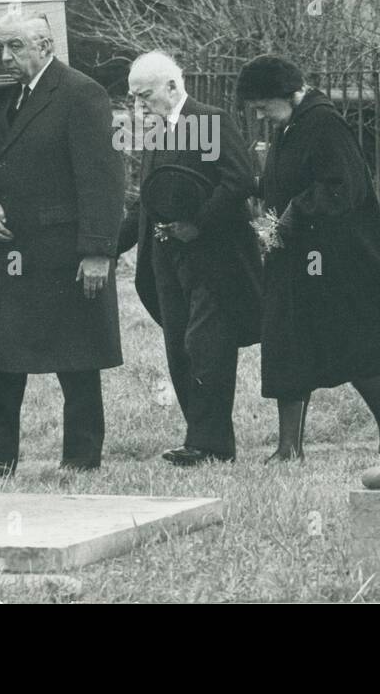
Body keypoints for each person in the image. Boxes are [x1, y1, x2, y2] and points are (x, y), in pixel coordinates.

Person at [0, 9, 124, 477]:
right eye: (2, 48)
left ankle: (81, 459)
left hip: (64, 252)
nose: (6, 57)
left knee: (77, 357)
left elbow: (103, 178)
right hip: (12, 254)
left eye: (16, 47)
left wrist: (96, 251)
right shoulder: (9, 99)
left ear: (46, 46)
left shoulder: (81, 94)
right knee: (2, 356)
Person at [236, 54, 380, 462]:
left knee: (357, 347)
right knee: (286, 347)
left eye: (262, 105)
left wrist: (295, 213)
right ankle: (289, 447)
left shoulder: (322, 123)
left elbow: (346, 187)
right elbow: (287, 180)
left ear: (286, 94)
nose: (259, 114)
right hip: (294, 258)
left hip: (336, 259)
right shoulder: (291, 125)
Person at [116, 51, 262, 466]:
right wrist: (108, 249)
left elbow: (239, 181)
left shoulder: (209, 119)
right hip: (166, 261)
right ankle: (199, 437)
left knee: (207, 346)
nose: (139, 106)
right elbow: (149, 200)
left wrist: (198, 223)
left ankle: (211, 443)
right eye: (134, 98)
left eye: (145, 96)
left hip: (214, 258)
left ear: (172, 87)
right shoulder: (157, 131)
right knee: (179, 347)